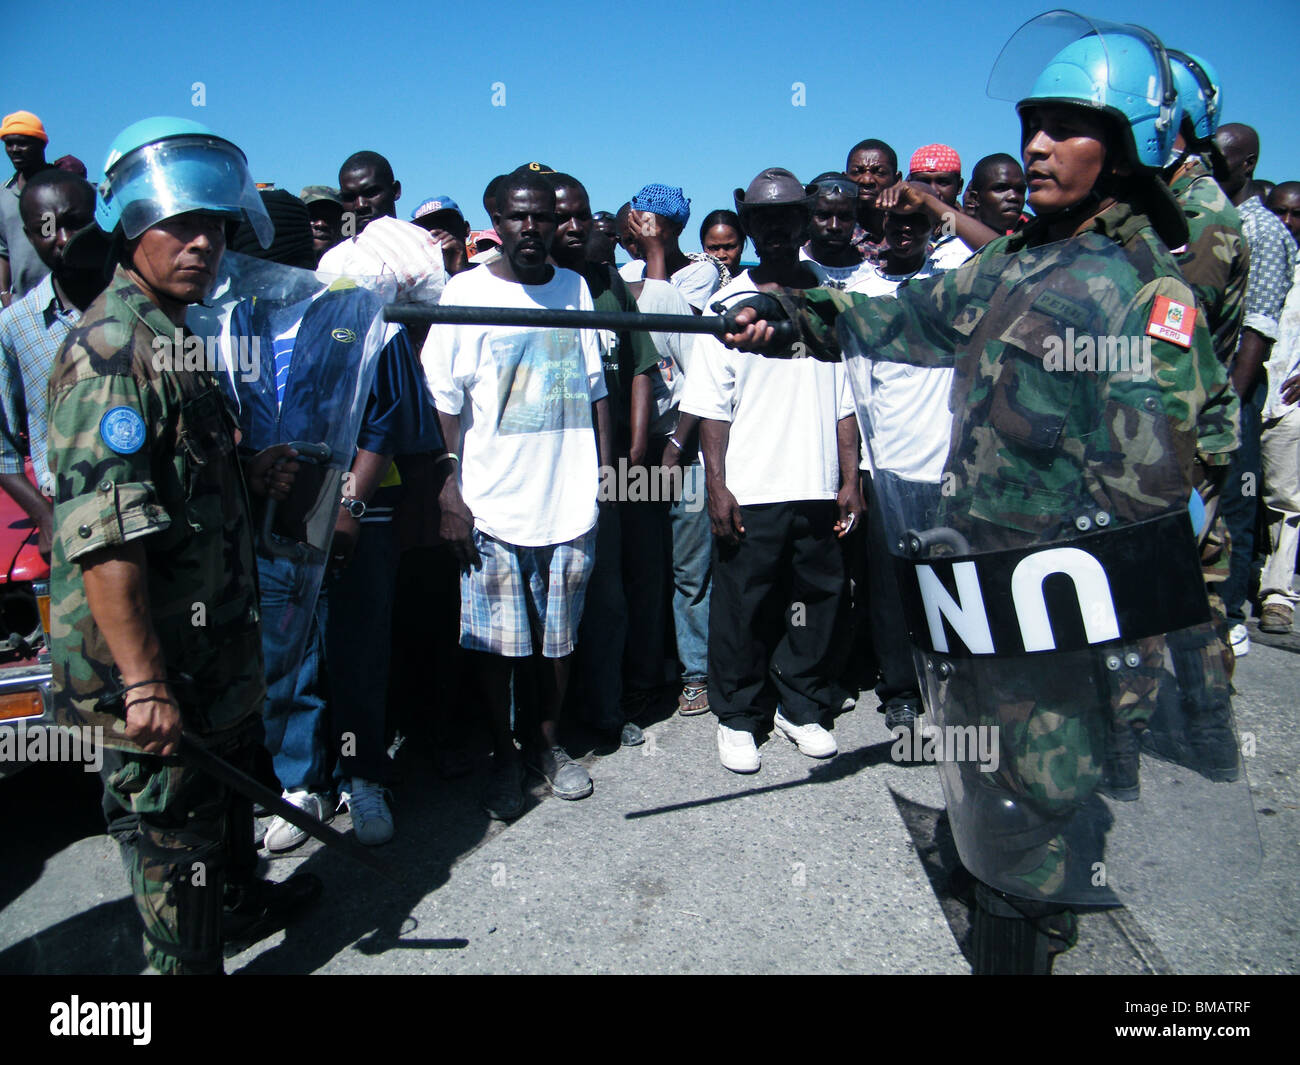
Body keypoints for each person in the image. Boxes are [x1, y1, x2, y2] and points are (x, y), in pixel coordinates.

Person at [720, 19, 1242, 970]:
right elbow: (910, 316)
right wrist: (794, 313)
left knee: (1035, 804)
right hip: (985, 585)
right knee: (989, 787)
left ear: (1126, 151)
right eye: (1032, 123)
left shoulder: (1140, 288)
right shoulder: (1016, 259)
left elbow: (1186, 468)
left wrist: (1116, 634)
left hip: (1062, 607)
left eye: (1067, 127)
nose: (1036, 144)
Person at [46, 116, 318, 974]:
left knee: (224, 798)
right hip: (162, 660)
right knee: (176, 841)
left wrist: (249, 470)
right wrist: (145, 682)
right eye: (182, 227)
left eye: (218, 228)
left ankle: (238, 905)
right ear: (132, 226)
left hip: (211, 650)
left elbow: (182, 471)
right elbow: (104, 538)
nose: (204, 244)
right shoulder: (115, 351)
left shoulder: (174, 329)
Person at [423, 168, 611, 818]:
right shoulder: (463, 291)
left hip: (568, 502)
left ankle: (547, 746)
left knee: (559, 643)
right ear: (495, 219)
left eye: (543, 216)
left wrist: (605, 474)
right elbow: (443, 402)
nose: (532, 228)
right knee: (497, 650)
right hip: (492, 506)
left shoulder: (576, 286)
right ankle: (505, 757)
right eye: (517, 217)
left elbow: (595, 387)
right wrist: (449, 484)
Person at [680, 167, 861, 774]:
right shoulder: (725, 307)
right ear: (750, 224)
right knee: (745, 605)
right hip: (752, 485)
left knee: (817, 598)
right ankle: (738, 716)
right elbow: (711, 407)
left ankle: (800, 705)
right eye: (764, 218)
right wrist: (718, 486)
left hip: (816, 482)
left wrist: (849, 479)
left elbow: (846, 402)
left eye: (787, 217)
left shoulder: (831, 304)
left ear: (805, 220)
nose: (776, 229)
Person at [547, 171, 659, 746]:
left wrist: (635, 444)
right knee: (555, 601)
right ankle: (546, 728)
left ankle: (607, 707)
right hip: (547, 474)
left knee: (609, 596)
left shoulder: (610, 284)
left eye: (583, 216)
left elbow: (640, 363)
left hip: (608, 471)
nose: (575, 227)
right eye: (561, 216)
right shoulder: (541, 288)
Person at [1212, 122, 1297, 656]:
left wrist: (1226, 404)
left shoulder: (1262, 231)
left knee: (1235, 504)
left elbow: (1257, 328)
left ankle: (1229, 619)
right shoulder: (1211, 218)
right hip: (1197, 388)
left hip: (1233, 396)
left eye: (1221, 158)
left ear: (1248, 164)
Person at [0, 170, 108, 559]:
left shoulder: (141, 306)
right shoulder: (15, 327)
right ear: (29, 237)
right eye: (46, 229)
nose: (63, 240)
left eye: (75, 224)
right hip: (73, 524)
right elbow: (3, 447)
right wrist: (45, 518)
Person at [1258, 181, 1300, 634]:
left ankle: (1277, 594)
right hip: (1249, 394)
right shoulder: (1262, 261)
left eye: (1296, 214)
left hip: (1288, 404)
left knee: (1286, 500)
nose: (1287, 223)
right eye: (1280, 212)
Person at [619, 185, 726, 311]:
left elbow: (663, 321)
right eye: (637, 236)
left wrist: (654, 252)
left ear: (677, 229)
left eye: (649, 234)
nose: (643, 241)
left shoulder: (701, 272)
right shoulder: (630, 271)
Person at [1, 110, 55, 304]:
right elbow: (2, 251)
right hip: (19, 302)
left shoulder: (59, 188)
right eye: (9, 143)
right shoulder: (4, 195)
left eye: (22, 143)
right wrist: (3, 295)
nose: (15, 149)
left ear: (41, 144)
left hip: (61, 299)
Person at [800, 173, 877, 289]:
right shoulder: (793, 269)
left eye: (844, 217)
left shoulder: (871, 278)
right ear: (808, 216)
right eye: (824, 216)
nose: (834, 226)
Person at [905, 143, 976, 268]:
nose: (934, 191)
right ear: (910, 183)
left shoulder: (972, 235)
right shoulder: (898, 231)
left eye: (943, 182)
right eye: (924, 182)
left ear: (959, 187)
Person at [845, 138, 898, 264]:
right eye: (858, 172)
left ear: (897, 180)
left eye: (879, 173)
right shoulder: (833, 237)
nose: (867, 180)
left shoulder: (914, 239)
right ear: (845, 178)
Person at [965, 153, 1028, 234]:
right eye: (1001, 188)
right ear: (975, 199)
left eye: (1020, 190)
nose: (1014, 197)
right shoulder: (953, 246)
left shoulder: (1033, 243)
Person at [411, 195, 472, 275]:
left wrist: (460, 273)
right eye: (426, 229)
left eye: (445, 225)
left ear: (466, 229)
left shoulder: (488, 275)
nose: (436, 234)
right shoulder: (415, 283)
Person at [300, 185, 346, 264]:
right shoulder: (282, 265)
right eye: (312, 216)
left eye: (330, 217)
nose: (321, 224)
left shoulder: (353, 267)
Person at [698, 209, 746, 278]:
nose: (721, 255)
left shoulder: (754, 285)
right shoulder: (689, 284)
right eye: (713, 248)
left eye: (729, 247)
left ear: (742, 245)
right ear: (703, 246)